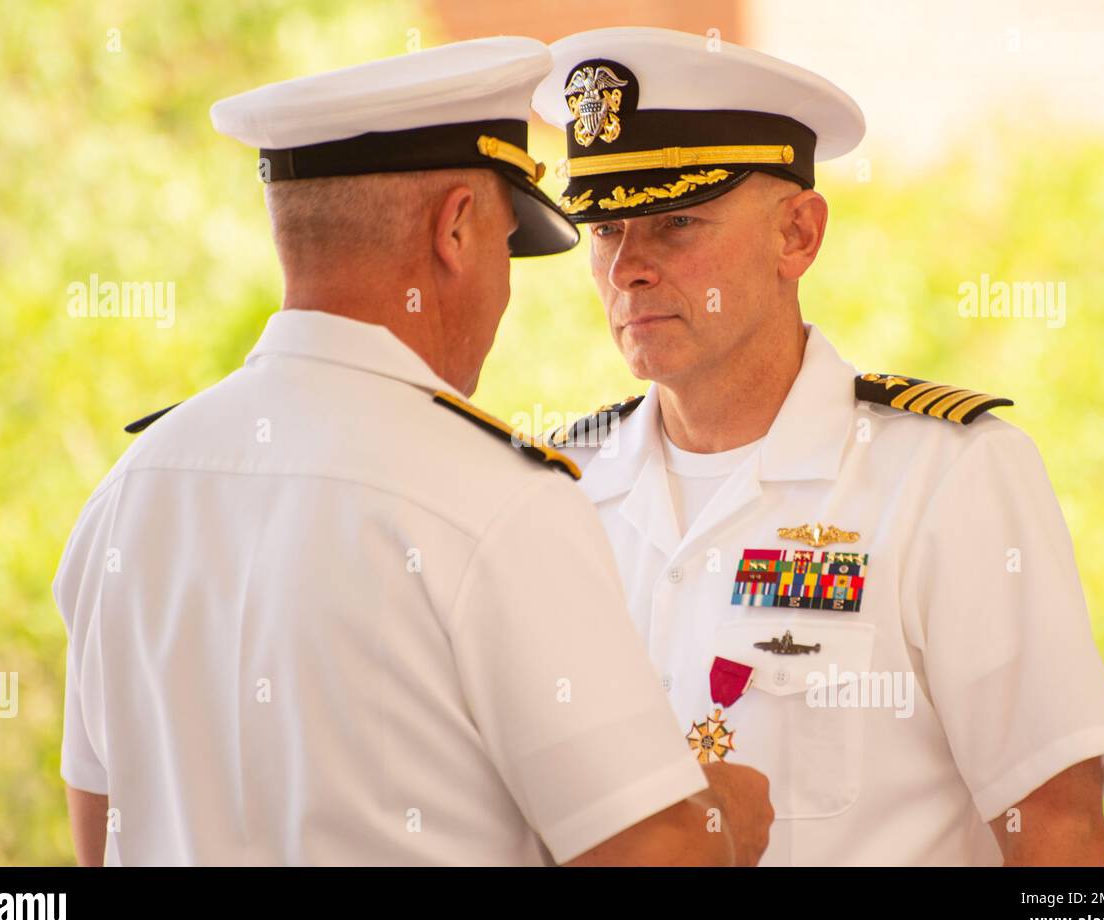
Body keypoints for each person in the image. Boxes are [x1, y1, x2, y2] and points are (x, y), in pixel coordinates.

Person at [54, 36, 773, 866]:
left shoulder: (128, 493)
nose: (505, 289)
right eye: (508, 245)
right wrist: (722, 821)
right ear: (457, 228)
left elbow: (98, 832)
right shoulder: (492, 501)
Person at [532, 26, 1104, 866]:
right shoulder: (555, 493)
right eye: (604, 229)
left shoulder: (944, 476)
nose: (629, 266)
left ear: (798, 236)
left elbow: (1058, 833)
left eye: (674, 222)